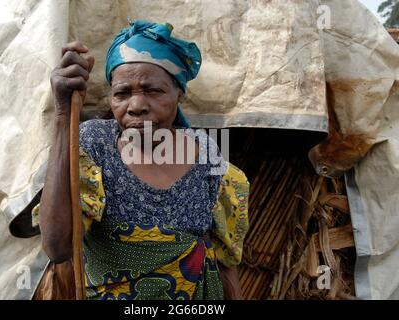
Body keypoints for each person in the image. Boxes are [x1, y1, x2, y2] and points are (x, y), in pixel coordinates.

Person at [33, 20, 250, 300]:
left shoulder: (206, 155)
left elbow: (224, 263)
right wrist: (64, 115)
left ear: (179, 94)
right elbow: (57, 246)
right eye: (122, 94)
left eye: (153, 91)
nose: (136, 106)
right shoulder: (94, 145)